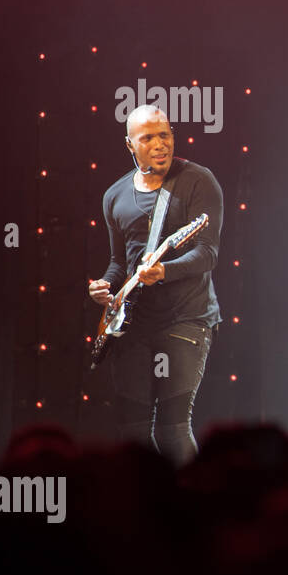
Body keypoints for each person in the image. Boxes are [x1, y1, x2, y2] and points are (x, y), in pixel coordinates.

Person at [88, 105, 223, 462]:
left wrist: (166, 270)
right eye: (148, 138)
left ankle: (197, 507)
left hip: (185, 318)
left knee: (172, 429)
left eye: (165, 134)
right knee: (132, 432)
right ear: (130, 144)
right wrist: (104, 284)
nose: (160, 144)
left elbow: (207, 253)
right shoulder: (114, 196)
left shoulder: (198, 180)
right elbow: (121, 262)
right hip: (133, 323)